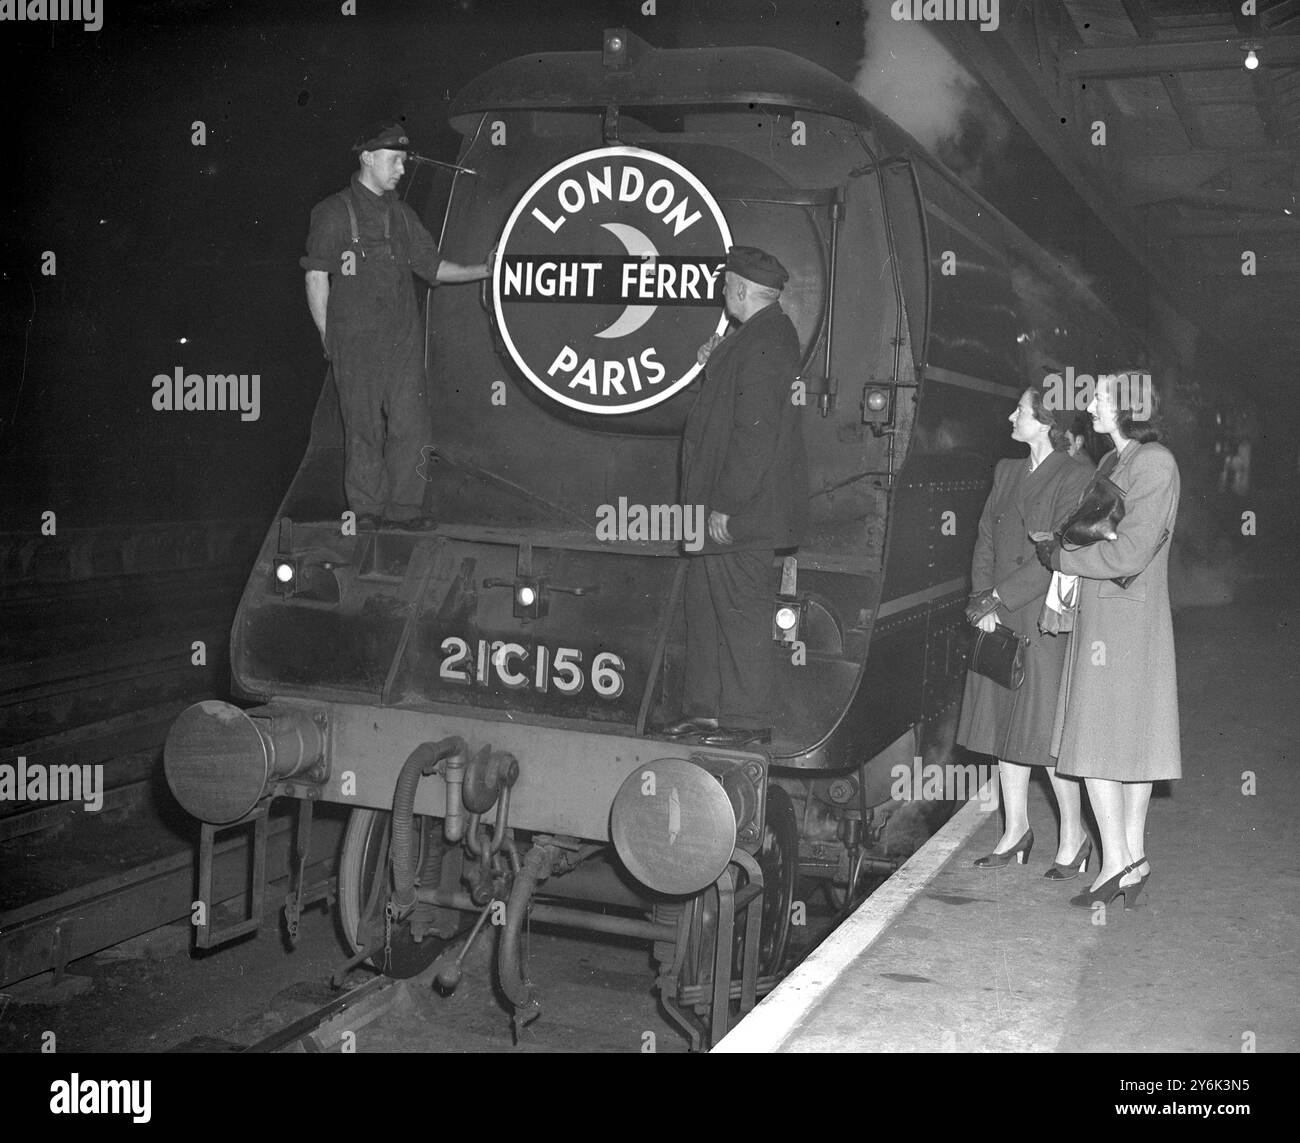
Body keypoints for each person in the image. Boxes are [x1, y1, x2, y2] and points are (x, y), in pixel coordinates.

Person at [300, 121, 494, 529]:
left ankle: (405, 511)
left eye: (404, 162)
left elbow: (435, 267)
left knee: (412, 424)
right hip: (354, 340)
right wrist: (327, 335)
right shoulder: (333, 212)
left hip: (402, 342)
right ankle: (367, 511)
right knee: (363, 428)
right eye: (394, 161)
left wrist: (485, 270)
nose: (402, 170)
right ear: (367, 158)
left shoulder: (402, 216)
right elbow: (316, 275)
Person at [1036, 370, 1181, 909]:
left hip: (1128, 621)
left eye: (1098, 398)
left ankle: (1118, 859)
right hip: (1105, 616)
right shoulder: (1112, 463)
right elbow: (1100, 534)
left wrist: (1062, 555)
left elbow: (1129, 552)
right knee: (1120, 742)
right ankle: (1130, 859)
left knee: (1102, 743)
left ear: (1128, 407)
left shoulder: (1155, 463)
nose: (1090, 406)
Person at [657, 246, 808, 749]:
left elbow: (754, 435)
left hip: (738, 511)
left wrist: (728, 503)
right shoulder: (756, 337)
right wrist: (714, 360)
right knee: (706, 607)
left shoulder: (766, 342)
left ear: (742, 290)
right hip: (715, 507)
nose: (722, 293)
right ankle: (706, 712)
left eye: (726, 286)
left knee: (740, 614)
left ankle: (744, 722)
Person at [958, 388, 1094, 873]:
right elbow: (985, 538)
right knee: (1003, 728)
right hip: (997, 615)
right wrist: (981, 602)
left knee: (1047, 736)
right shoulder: (1006, 470)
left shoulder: (1077, 476)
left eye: (1021, 410)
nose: (1010, 415)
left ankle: (1073, 837)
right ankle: (1015, 831)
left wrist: (998, 597)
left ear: (1046, 422)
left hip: (1042, 617)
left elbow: (1055, 553)